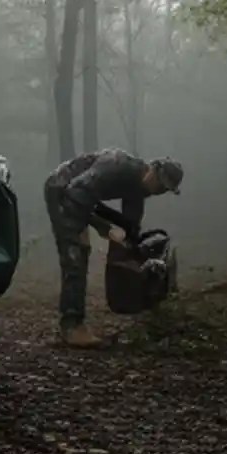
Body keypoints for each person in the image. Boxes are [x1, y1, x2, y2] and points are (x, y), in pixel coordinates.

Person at [43, 148, 183, 348]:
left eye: (164, 189)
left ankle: (73, 323)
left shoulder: (140, 188)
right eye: (159, 184)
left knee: (87, 248)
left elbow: (131, 224)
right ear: (152, 169)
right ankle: (72, 326)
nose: (158, 190)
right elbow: (75, 193)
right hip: (62, 190)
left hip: (82, 197)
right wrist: (104, 228)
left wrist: (137, 252)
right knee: (76, 255)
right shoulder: (116, 165)